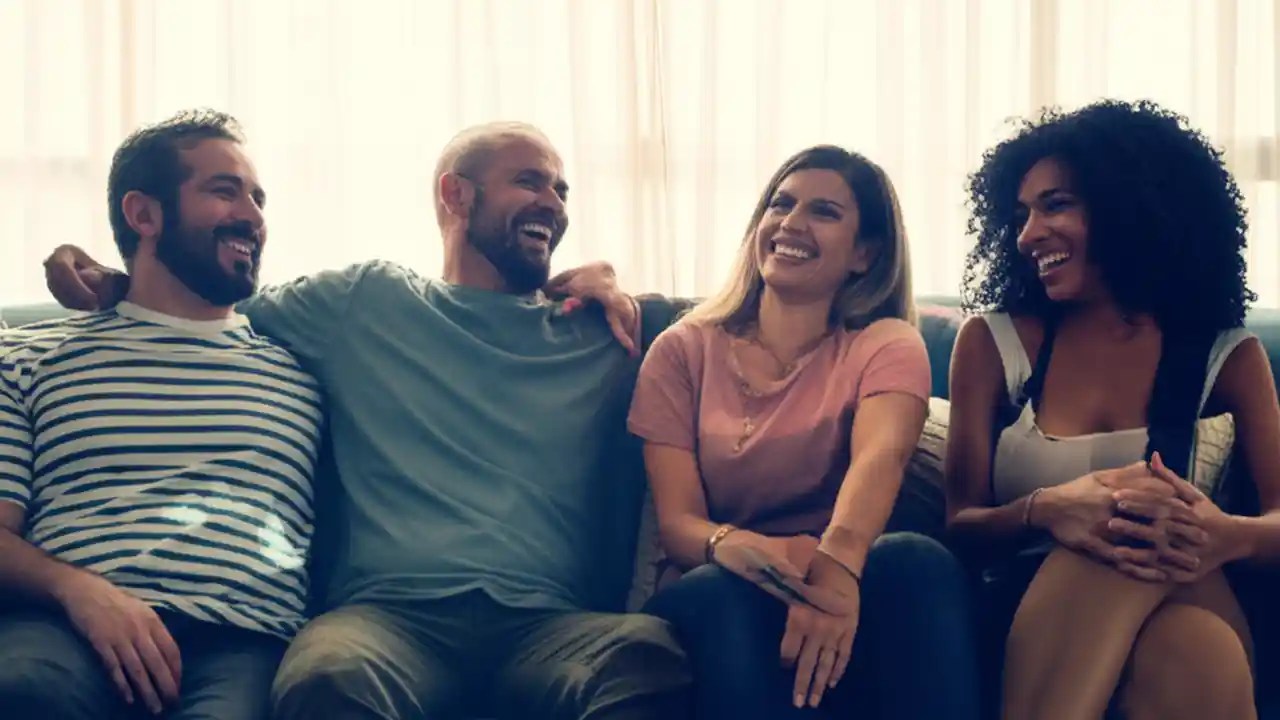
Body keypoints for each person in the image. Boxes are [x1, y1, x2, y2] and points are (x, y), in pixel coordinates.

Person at [43, 120, 692, 720]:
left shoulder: (604, 334)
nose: (554, 202)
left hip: (550, 627)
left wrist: (621, 287)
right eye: (529, 180)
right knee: (327, 674)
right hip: (388, 623)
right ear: (455, 195)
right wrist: (109, 281)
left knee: (643, 655)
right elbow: (207, 298)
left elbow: (730, 325)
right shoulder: (365, 304)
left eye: (561, 188)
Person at [946, 99, 1280, 720]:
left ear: (1131, 207)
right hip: (1029, 609)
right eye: (1021, 214)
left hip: (1187, 577)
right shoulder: (994, 343)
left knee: (1147, 524)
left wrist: (1223, 534)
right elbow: (960, 522)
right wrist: (1049, 509)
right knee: (1192, 638)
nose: (1027, 235)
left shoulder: (1226, 355)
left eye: (1055, 204)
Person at [627, 145, 980, 719]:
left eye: (824, 211)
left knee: (917, 561)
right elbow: (678, 524)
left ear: (864, 254)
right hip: (722, 576)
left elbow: (881, 459)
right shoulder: (682, 350)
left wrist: (834, 571)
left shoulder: (885, 344)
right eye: (781, 204)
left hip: (842, 570)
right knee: (721, 598)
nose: (791, 223)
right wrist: (737, 546)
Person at [0, 110, 324, 719]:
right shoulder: (26, 356)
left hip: (242, 639)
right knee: (23, 694)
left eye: (257, 198)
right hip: (63, 626)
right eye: (224, 191)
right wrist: (80, 592)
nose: (253, 217)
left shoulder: (304, 365)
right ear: (143, 215)